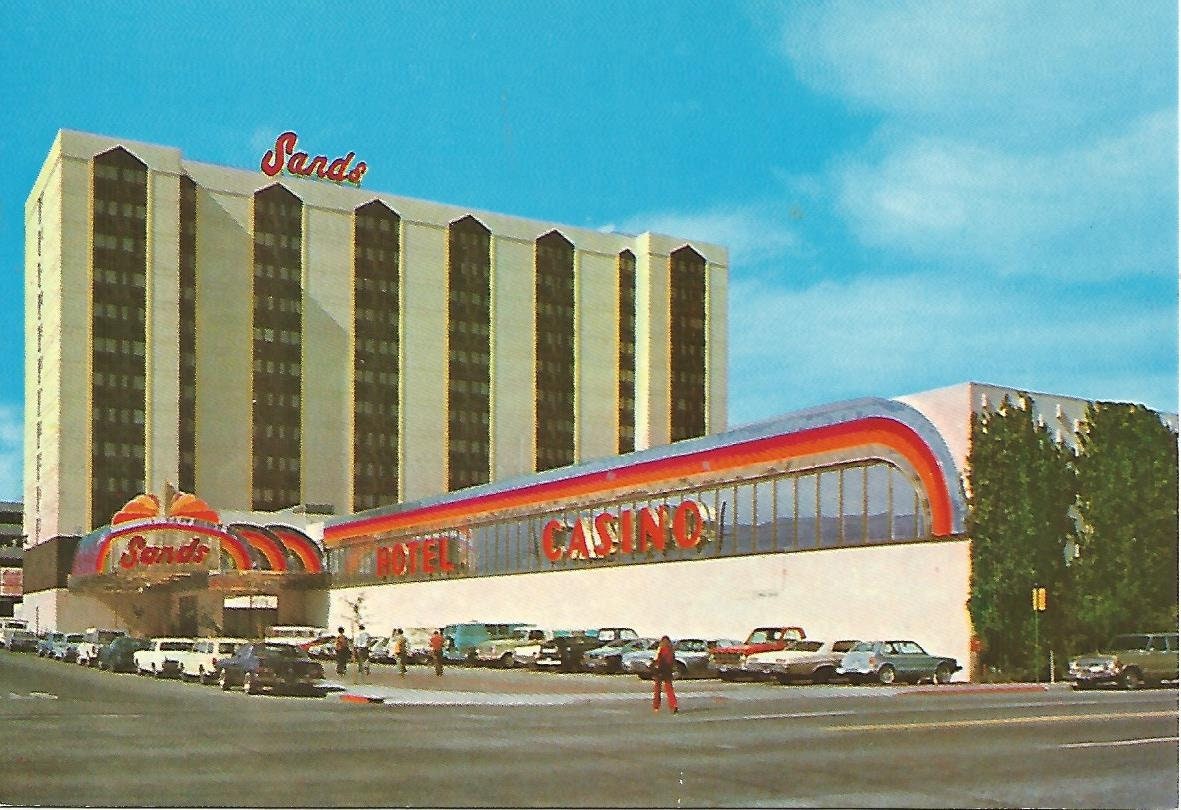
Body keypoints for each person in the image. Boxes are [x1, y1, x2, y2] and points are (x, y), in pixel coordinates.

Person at [651, 635, 679, 714]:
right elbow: (673, 662)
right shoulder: (671, 650)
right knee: (669, 689)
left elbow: (656, 659)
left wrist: (652, 666)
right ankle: (674, 705)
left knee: (657, 689)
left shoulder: (660, 649)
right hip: (668, 671)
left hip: (660, 671)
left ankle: (656, 706)